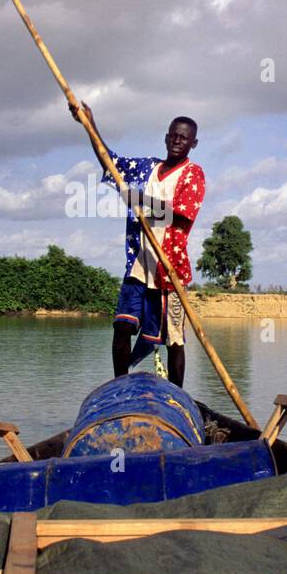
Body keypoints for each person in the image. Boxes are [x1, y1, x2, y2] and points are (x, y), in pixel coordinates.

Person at [71, 100, 205, 387]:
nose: (177, 142)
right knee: (121, 325)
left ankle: (175, 396)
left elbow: (181, 212)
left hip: (169, 270)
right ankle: (120, 385)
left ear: (193, 143)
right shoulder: (147, 168)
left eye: (184, 138)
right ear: (166, 137)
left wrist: (141, 201)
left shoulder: (193, 174)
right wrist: (89, 125)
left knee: (174, 340)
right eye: (173, 135)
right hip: (139, 264)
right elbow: (111, 162)